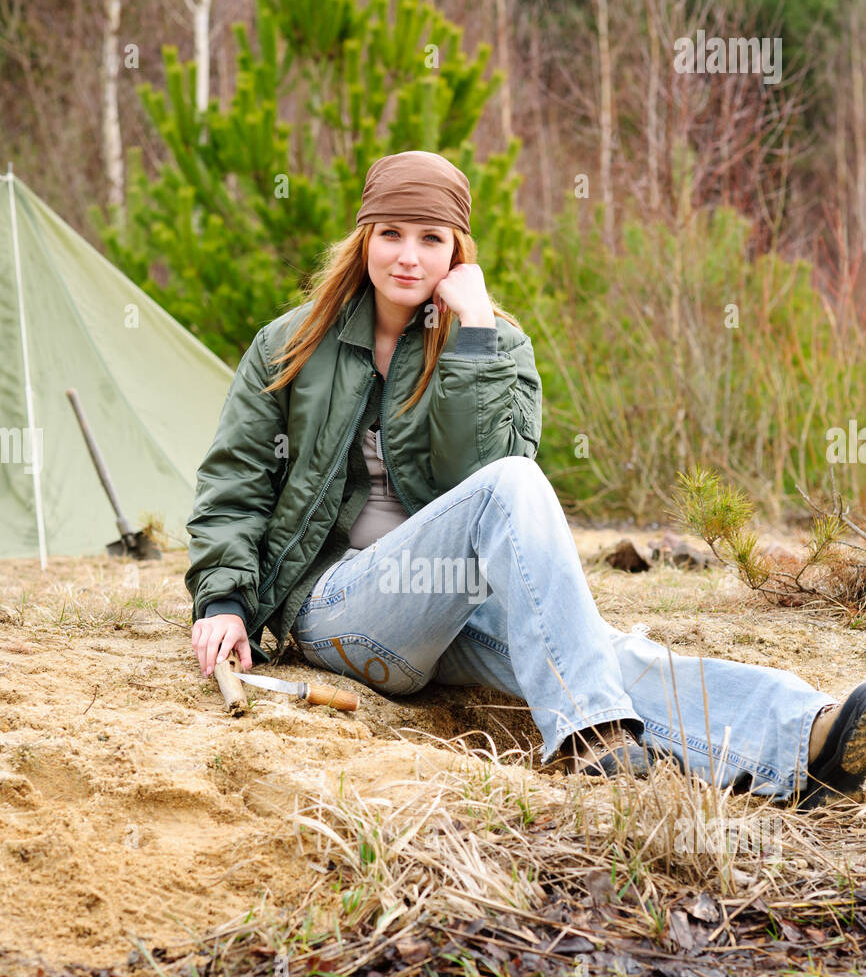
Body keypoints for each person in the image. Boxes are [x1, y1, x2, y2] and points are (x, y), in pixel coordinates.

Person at [186, 149, 866, 812]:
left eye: (431, 238)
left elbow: (481, 480)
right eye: (390, 233)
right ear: (364, 237)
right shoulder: (291, 342)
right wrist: (223, 601)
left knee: (598, 657)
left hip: (454, 604)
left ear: (458, 249)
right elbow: (236, 480)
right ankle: (594, 735)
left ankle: (805, 738)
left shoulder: (497, 343)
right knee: (518, 493)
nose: (407, 255)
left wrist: (473, 337)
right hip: (337, 605)